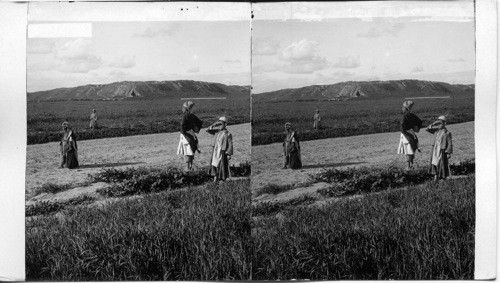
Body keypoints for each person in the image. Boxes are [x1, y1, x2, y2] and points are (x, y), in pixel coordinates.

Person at [177, 101, 203, 171]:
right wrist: (196, 130)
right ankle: (190, 166)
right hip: (192, 135)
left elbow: (182, 125)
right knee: (191, 150)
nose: (182, 109)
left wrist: (183, 132)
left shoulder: (184, 116)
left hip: (186, 136)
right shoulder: (192, 116)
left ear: (186, 109)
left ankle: (187, 168)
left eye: (183, 108)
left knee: (187, 151)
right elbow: (200, 122)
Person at [426, 116, 453, 181]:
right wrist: (434, 123)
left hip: (442, 150)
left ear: (444, 124)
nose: (439, 125)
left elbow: (450, 143)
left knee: (442, 164)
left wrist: (448, 152)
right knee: (434, 163)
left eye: (440, 123)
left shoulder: (447, 133)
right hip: (435, 149)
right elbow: (427, 129)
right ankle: (435, 177)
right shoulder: (436, 131)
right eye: (438, 124)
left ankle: (443, 178)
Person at [398, 100, 423, 170]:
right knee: (412, 148)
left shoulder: (404, 116)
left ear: (405, 108)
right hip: (412, 133)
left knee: (408, 150)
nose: (402, 108)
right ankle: (411, 165)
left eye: (403, 107)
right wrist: (416, 129)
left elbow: (402, 126)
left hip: (406, 134)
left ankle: (408, 166)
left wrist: (404, 133)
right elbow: (420, 121)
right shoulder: (412, 115)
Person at [209, 117, 233, 181]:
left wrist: (229, 154)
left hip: (223, 151)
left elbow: (230, 144)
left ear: (225, 124)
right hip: (215, 150)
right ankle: (215, 178)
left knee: (222, 165)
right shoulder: (217, 132)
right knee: (214, 164)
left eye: (221, 124)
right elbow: (208, 130)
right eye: (218, 124)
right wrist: (214, 125)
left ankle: (223, 179)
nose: (220, 126)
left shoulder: (228, 134)